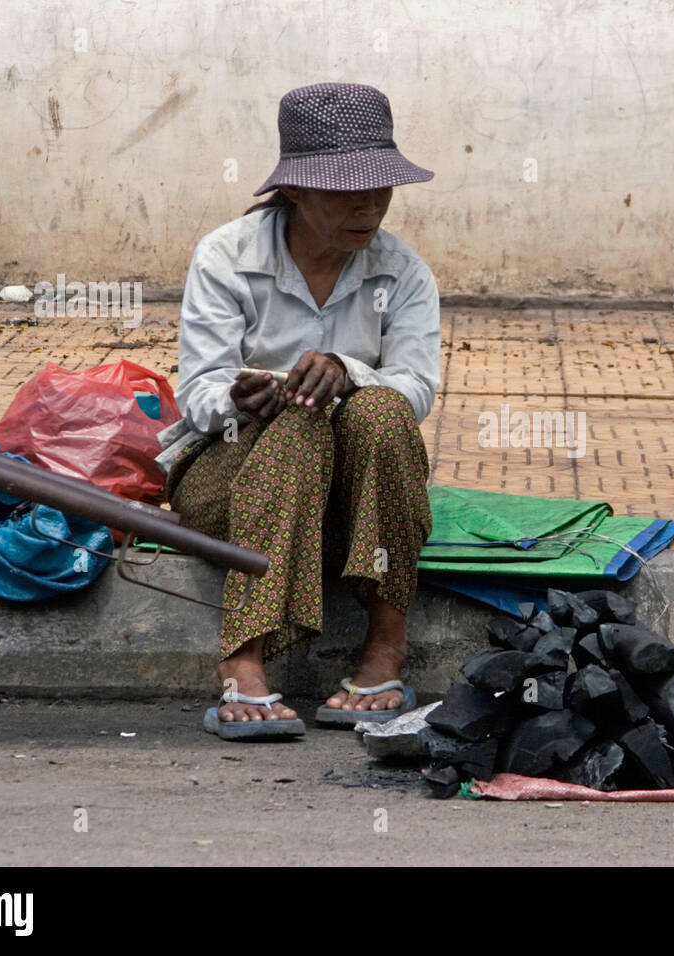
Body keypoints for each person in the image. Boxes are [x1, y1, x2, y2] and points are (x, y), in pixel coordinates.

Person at [156, 83, 439, 736]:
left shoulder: (403, 273)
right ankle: (243, 659)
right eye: (344, 189)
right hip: (228, 478)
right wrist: (241, 398)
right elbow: (197, 395)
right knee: (300, 422)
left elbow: (417, 388)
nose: (368, 204)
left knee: (383, 412)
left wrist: (346, 374)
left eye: (380, 187)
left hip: (344, 507)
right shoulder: (227, 258)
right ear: (294, 191)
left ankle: (385, 646)